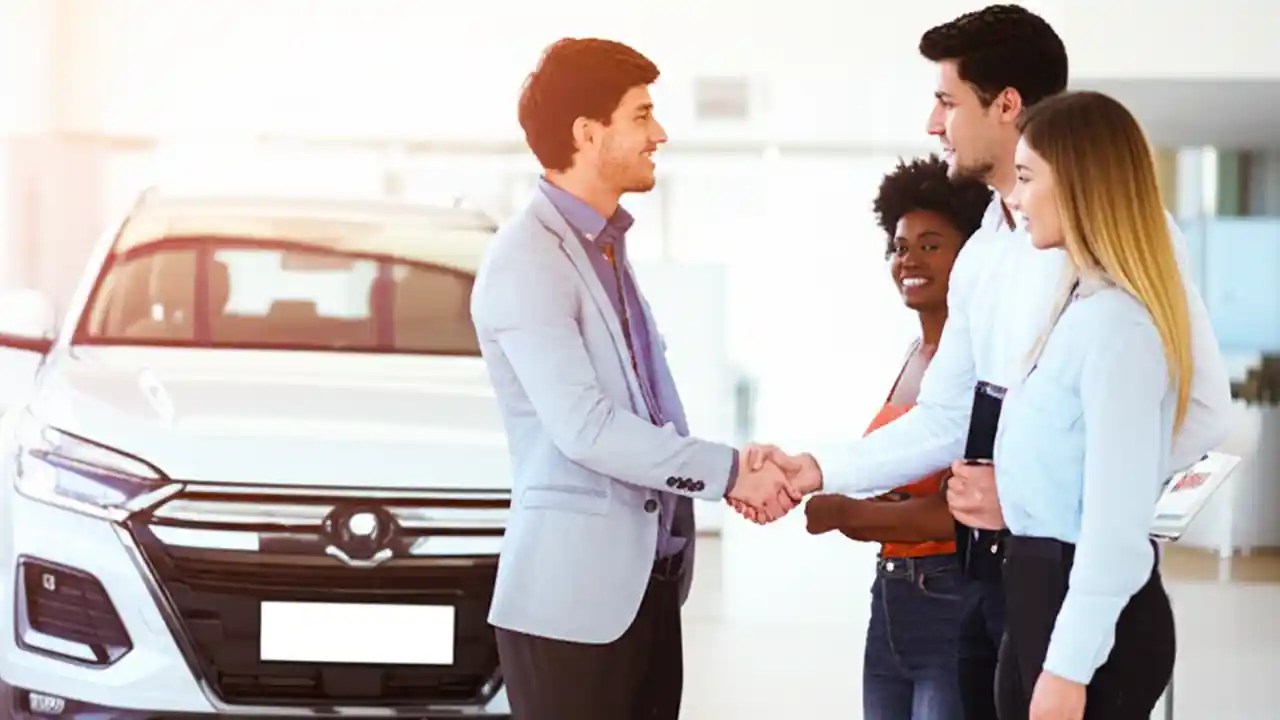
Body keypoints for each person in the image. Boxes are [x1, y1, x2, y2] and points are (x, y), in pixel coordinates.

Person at [743, 5, 1233, 718]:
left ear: (1006, 105)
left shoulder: (1121, 245)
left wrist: (1045, 497)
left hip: (1070, 575)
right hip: (995, 579)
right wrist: (814, 468)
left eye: (946, 100)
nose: (932, 123)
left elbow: (1199, 411)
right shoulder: (987, 253)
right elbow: (946, 416)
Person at [469, 38, 798, 720]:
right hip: (574, 607)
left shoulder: (604, 249)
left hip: (644, 589)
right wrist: (729, 470)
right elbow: (586, 428)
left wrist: (734, 463)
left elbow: (645, 408)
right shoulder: (527, 259)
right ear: (588, 134)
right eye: (642, 115)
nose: (660, 134)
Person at [993, 89, 1183, 720]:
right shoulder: (1076, 306)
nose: (1014, 198)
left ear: (1078, 183)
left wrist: (1068, 668)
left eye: (1025, 178)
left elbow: (1115, 532)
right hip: (1035, 589)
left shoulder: (1119, 330)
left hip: (1083, 614)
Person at [805, 155, 992, 720]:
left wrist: (847, 514)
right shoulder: (914, 355)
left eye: (931, 245)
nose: (909, 259)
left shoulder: (983, 361)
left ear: (973, 256)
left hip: (953, 599)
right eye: (900, 245)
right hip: (891, 601)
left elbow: (957, 513)